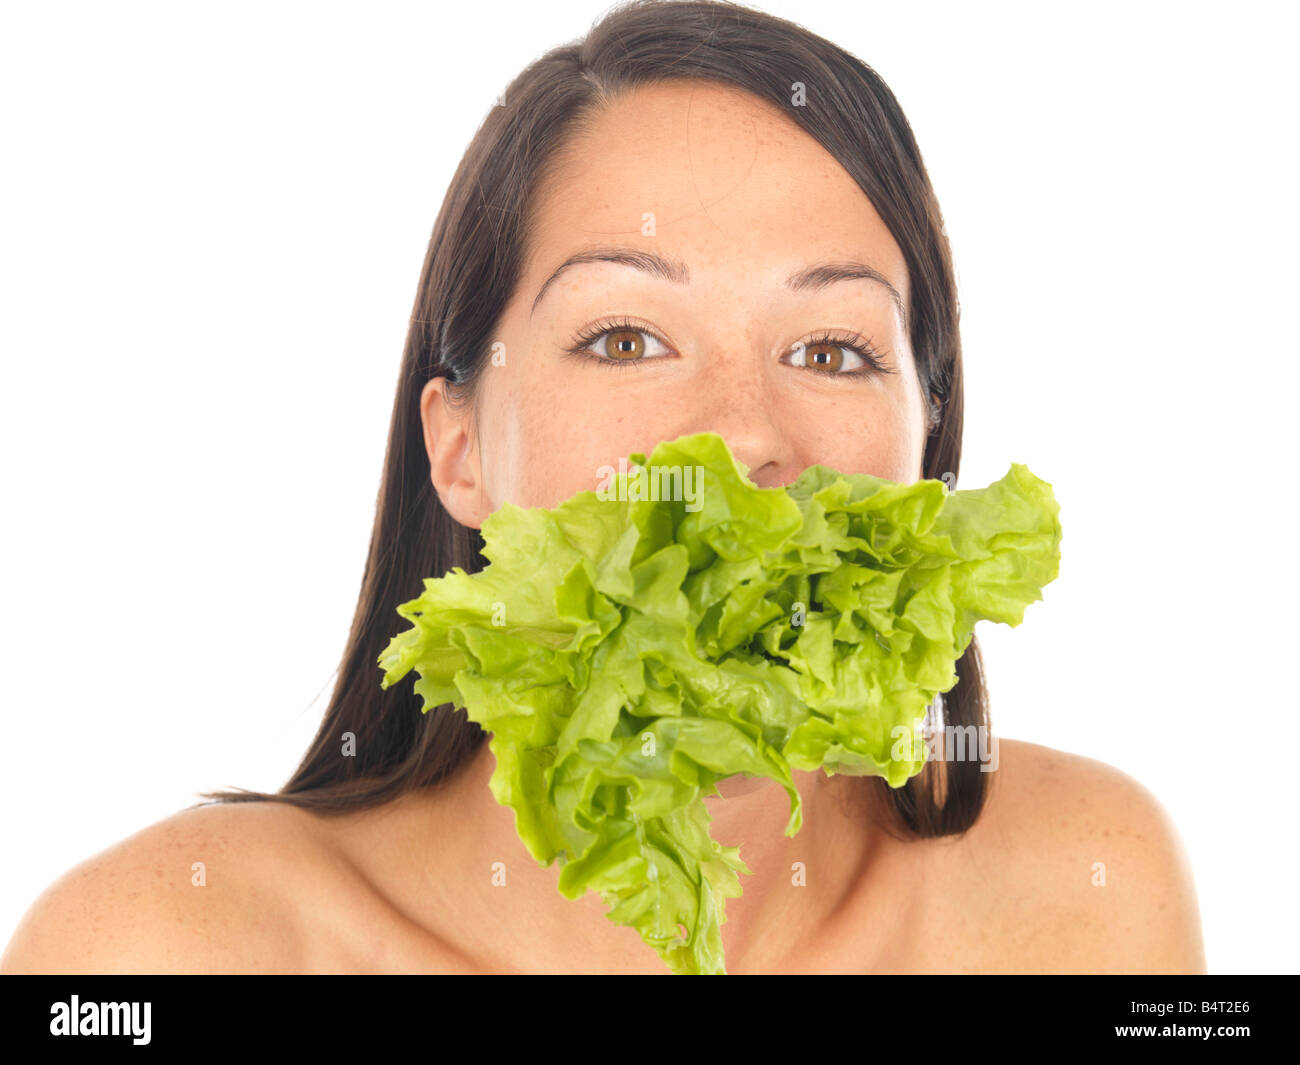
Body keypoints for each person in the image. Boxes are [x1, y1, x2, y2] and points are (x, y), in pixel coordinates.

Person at [1, 0, 1205, 974]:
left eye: (832, 350)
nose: (742, 439)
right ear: (460, 447)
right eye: (625, 337)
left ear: (925, 453)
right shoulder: (160, 954)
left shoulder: (1088, 892)